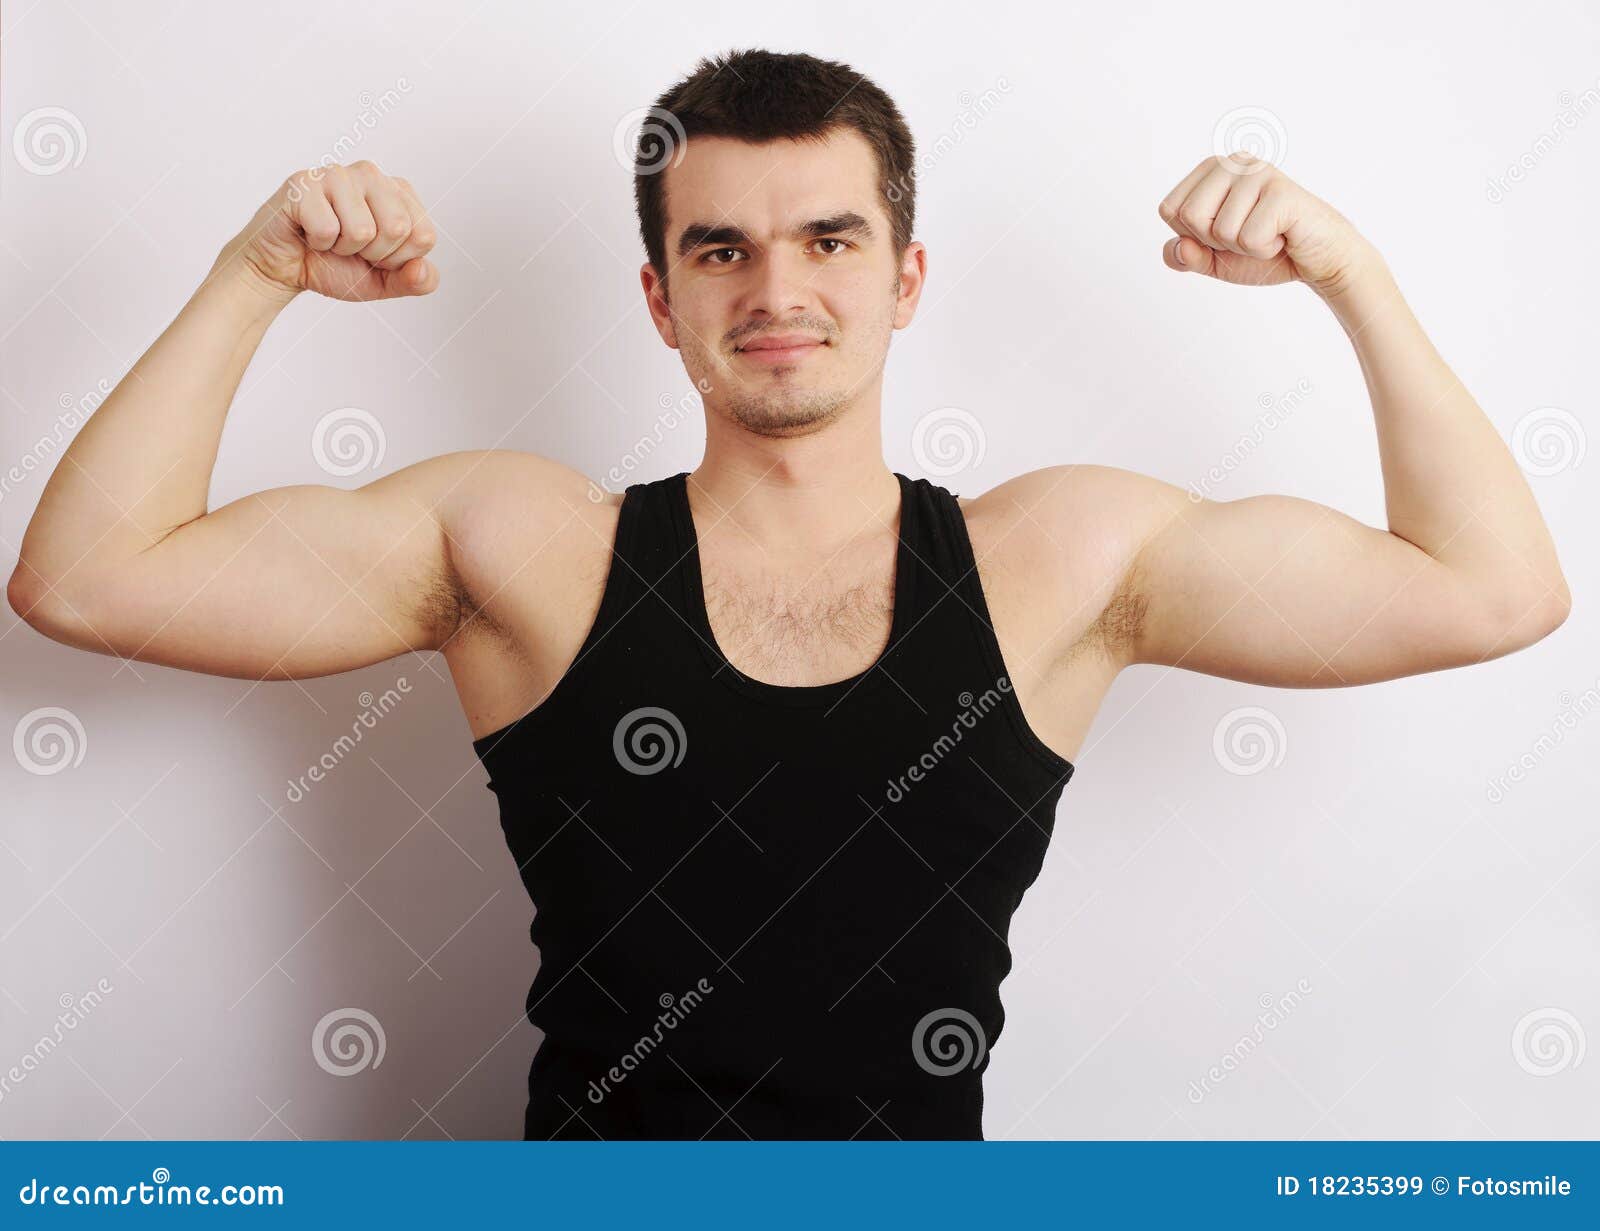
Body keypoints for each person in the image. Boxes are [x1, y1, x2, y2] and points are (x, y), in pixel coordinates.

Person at [7, 49, 1569, 1140]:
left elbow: (1491, 591)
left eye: (830, 239)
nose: (776, 293)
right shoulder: (522, 547)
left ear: (903, 278)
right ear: (660, 297)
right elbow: (84, 577)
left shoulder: (1062, 562)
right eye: (722, 250)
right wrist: (250, 274)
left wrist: (1352, 272)